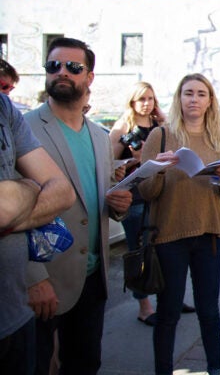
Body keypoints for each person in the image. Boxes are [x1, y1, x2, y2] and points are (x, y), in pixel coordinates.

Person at [24, 37, 133, 375]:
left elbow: (98, 201)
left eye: (73, 67)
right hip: (43, 280)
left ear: (90, 77)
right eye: (54, 66)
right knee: (36, 365)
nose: (63, 73)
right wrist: (33, 277)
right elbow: (12, 211)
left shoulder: (100, 136)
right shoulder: (24, 129)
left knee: (85, 364)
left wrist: (119, 203)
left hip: (92, 278)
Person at [138, 73, 220, 375]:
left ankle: (216, 368)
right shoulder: (161, 136)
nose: (194, 99)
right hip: (169, 236)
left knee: (209, 310)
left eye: (200, 94)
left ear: (210, 101)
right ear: (179, 99)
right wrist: (157, 170)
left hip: (209, 236)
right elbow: (145, 192)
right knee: (168, 312)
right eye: (188, 93)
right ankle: (163, 370)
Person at [0, 88, 75, 375]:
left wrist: (10, 215)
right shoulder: (30, 119)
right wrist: (30, 187)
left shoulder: (4, 108)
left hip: (16, 315)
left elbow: (62, 191)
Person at [108, 81, 179, 325]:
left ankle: (168, 299)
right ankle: (144, 305)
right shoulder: (123, 128)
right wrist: (135, 161)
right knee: (139, 250)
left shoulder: (159, 125)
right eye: (142, 99)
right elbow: (109, 165)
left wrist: (164, 120)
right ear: (132, 102)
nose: (147, 104)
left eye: (150, 98)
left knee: (165, 249)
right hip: (135, 197)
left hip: (162, 195)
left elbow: (177, 146)